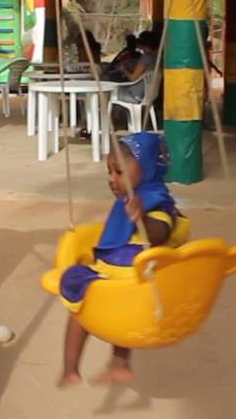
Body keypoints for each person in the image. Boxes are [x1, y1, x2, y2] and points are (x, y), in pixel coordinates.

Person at [58, 132, 190, 386]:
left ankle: (70, 369)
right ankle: (118, 365)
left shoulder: (156, 200)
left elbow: (160, 232)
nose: (111, 179)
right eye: (109, 172)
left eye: (118, 172)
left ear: (147, 169)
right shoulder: (132, 198)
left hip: (133, 277)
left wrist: (142, 218)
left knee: (78, 300)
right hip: (123, 275)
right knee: (120, 316)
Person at [114, 30, 159, 106]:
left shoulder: (146, 57)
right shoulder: (158, 56)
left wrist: (124, 70)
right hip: (150, 95)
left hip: (134, 95)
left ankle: (104, 112)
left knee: (107, 92)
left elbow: (133, 78)